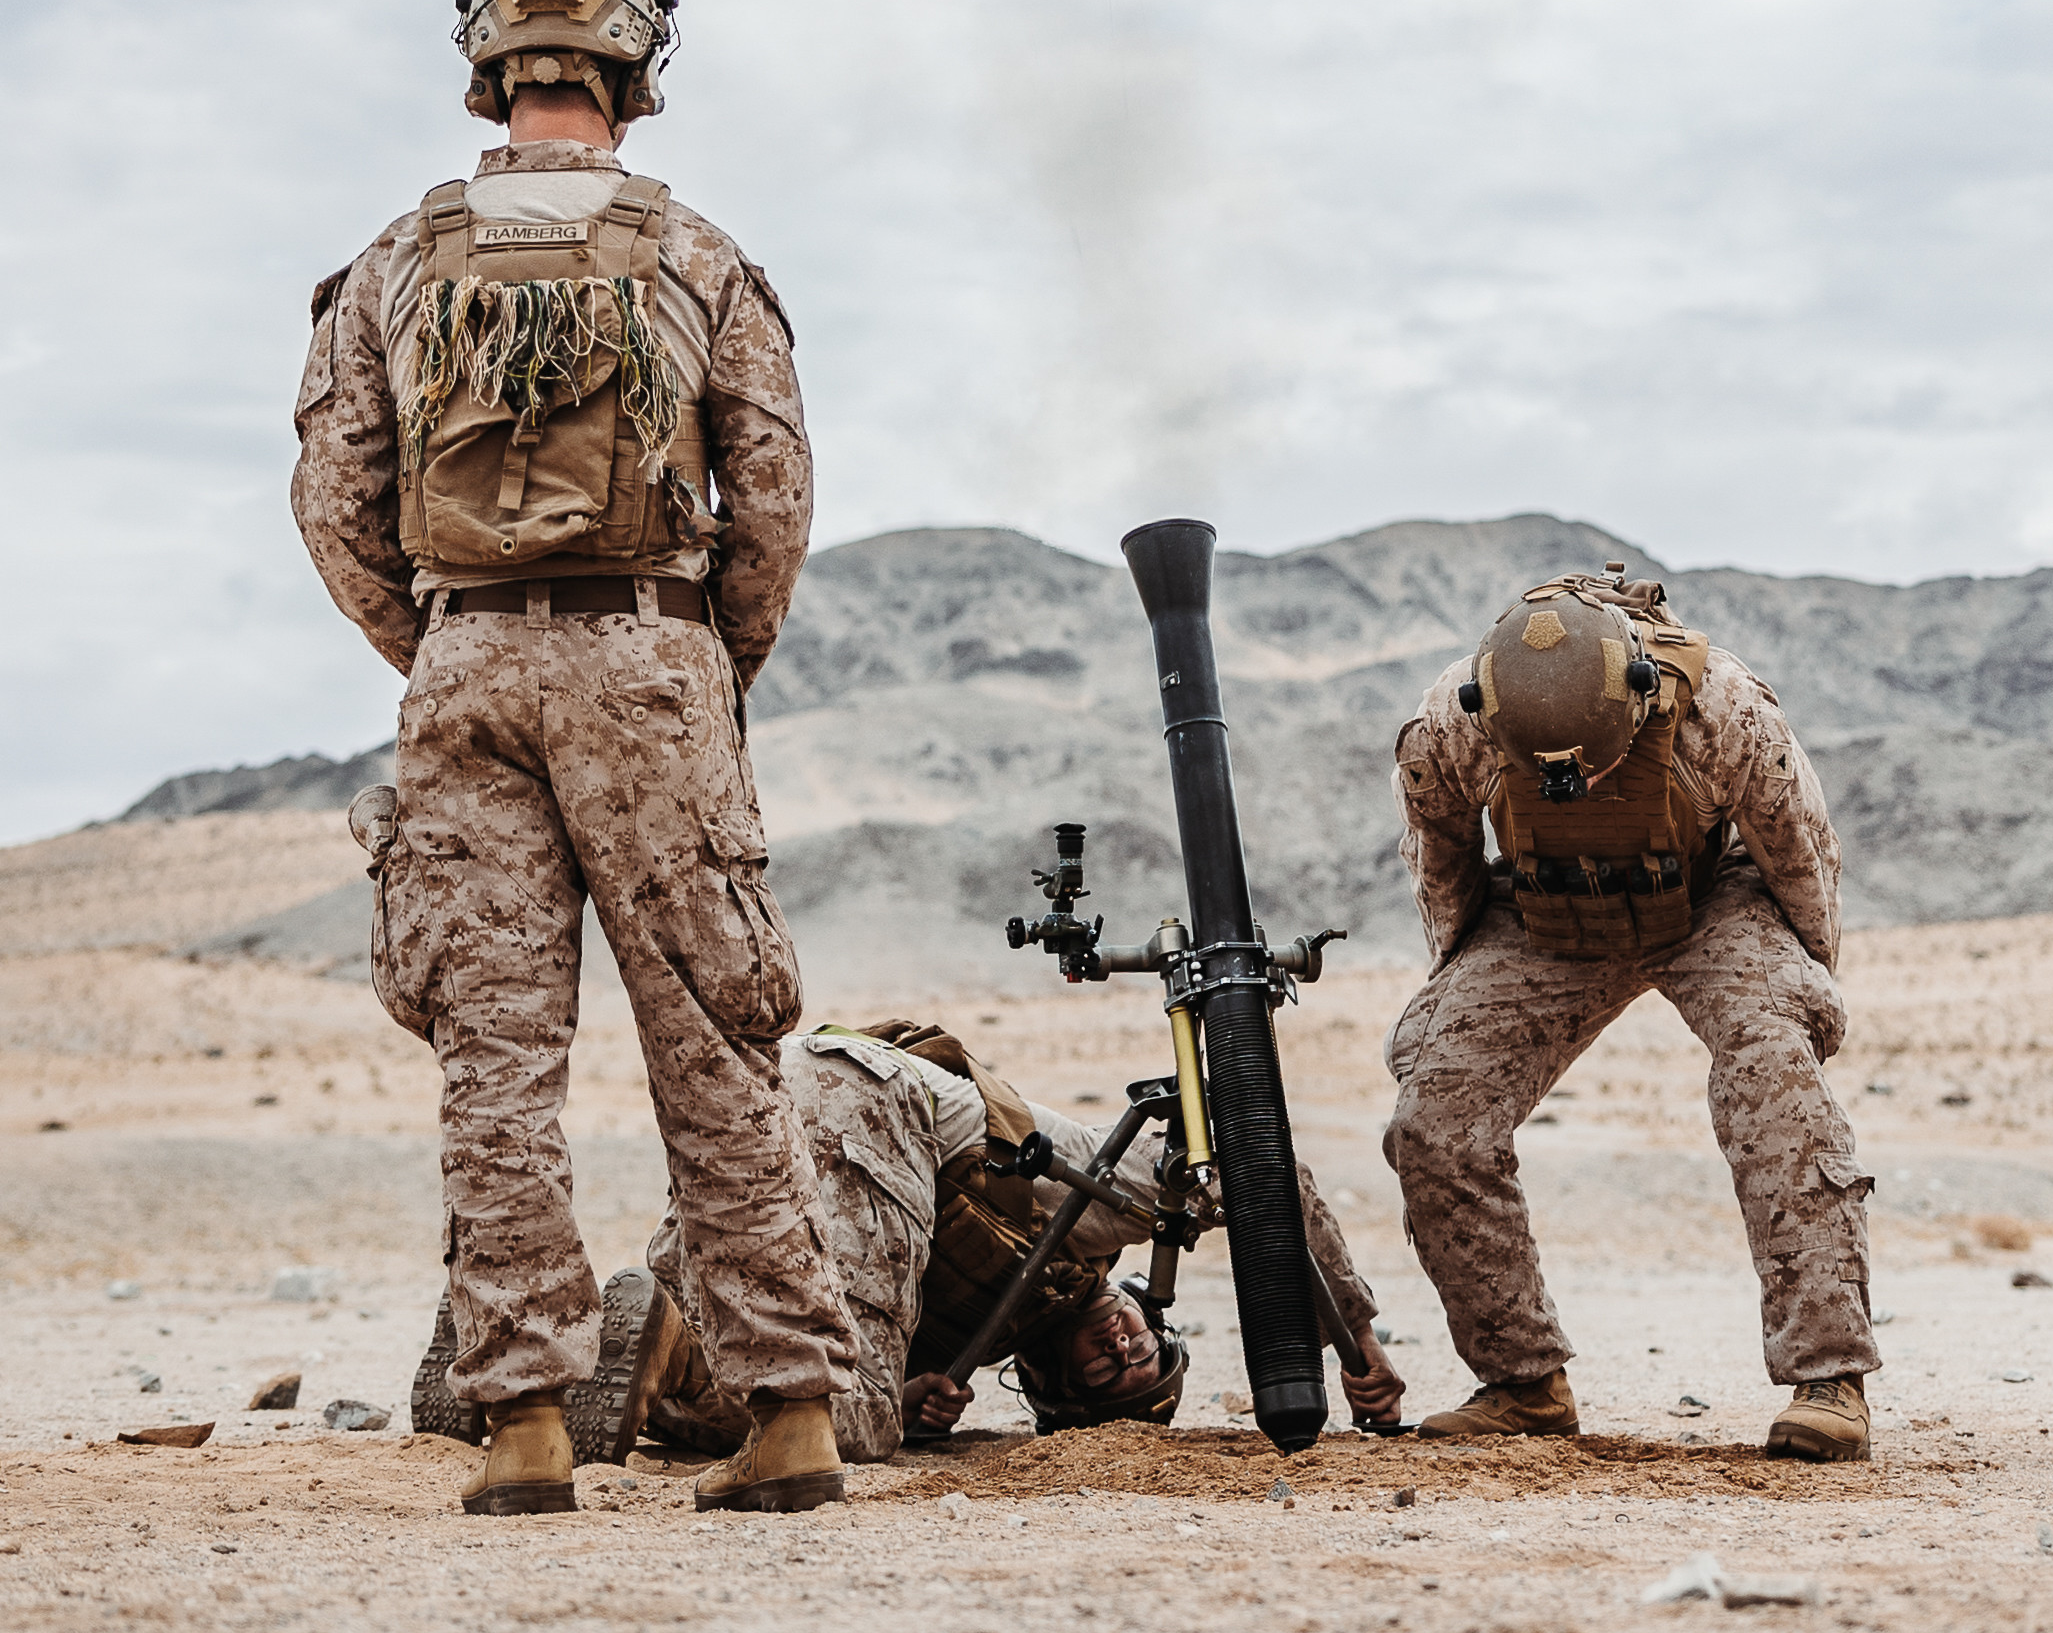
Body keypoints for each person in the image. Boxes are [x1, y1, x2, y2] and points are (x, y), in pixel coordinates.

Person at [295, 0, 855, 1521]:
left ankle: (526, 1422)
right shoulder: (694, 251)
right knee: (716, 1039)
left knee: (495, 1059)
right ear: (633, 72)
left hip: (464, 668)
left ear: (489, 69)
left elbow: (334, 499)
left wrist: (442, 644)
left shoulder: (394, 262)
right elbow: (773, 493)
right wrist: (699, 664)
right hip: (651, 660)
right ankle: (787, 1411)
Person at [1384, 568, 1874, 1460]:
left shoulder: (1723, 709)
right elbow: (1441, 864)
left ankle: (1828, 1378)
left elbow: (1800, 856)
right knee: (1434, 1118)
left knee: (1776, 1082)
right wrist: (1455, 1000)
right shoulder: (1450, 723)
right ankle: (1522, 1384)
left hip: (1705, 901)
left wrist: (1800, 1001)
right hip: (1542, 909)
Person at [615, 1017, 1406, 1459]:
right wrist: (1355, 1339)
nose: (1123, 1349)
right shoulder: (1093, 1219)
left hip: (758, 1100)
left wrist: (911, 1397)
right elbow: (1259, 1167)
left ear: (1042, 1378)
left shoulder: (964, 1348)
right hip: (858, 1099)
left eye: (1109, 1374)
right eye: (1146, 1351)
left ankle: (624, 1361)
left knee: (720, 1364)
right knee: (838, 1425)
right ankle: (671, 1354)